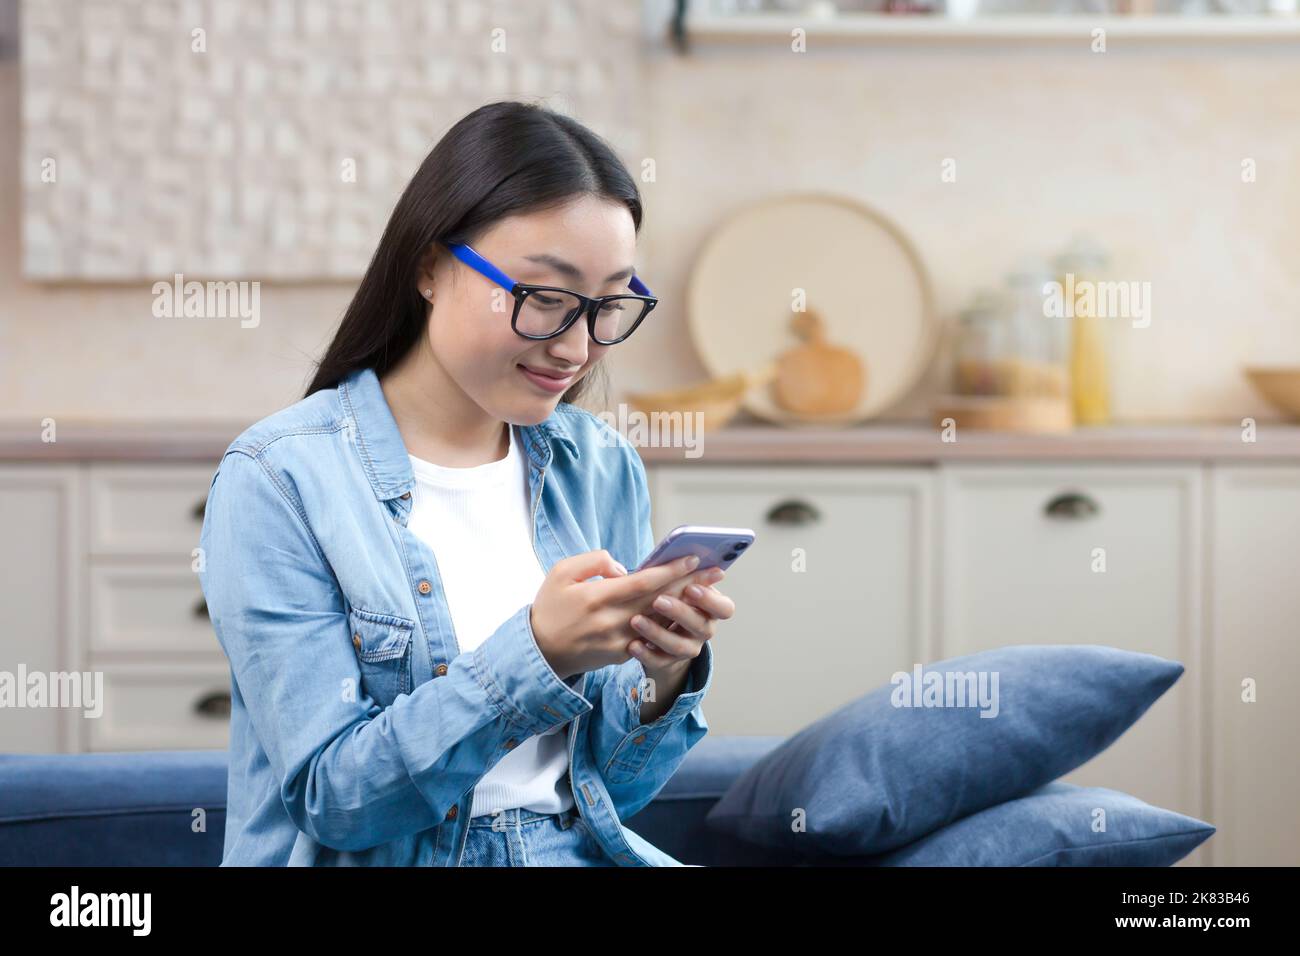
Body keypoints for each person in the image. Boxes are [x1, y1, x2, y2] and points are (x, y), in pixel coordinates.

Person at [198, 100, 735, 866]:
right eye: (545, 298)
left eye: (607, 304)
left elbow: (608, 792)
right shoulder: (280, 480)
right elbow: (334, 800)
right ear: (429, 265)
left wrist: (663, 674)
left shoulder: (599, 464)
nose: (579, 348)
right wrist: (537, 656)